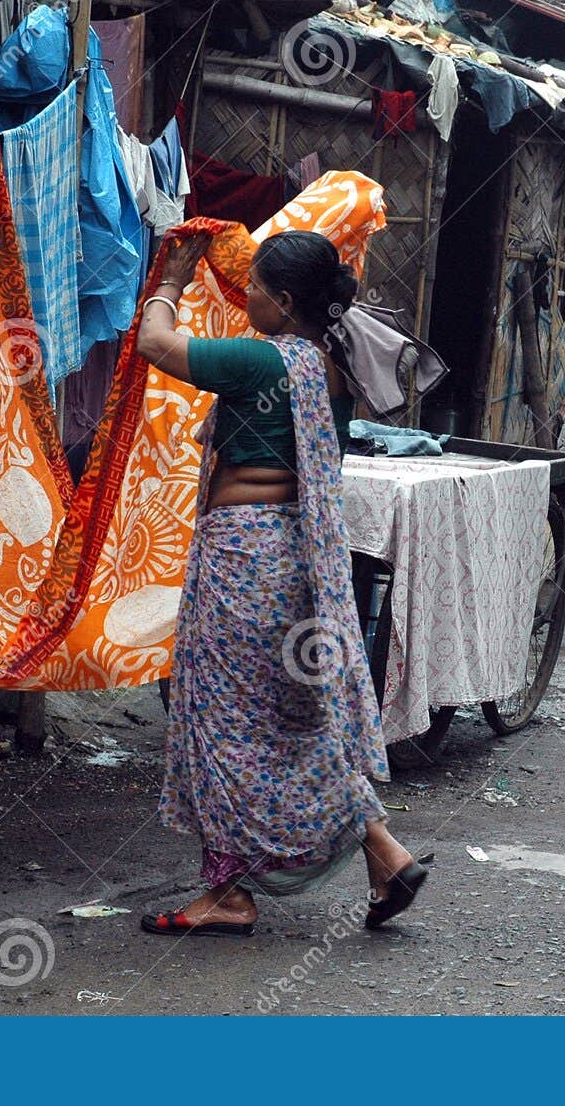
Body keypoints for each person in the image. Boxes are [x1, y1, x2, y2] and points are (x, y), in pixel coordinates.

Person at [132, 228, 427, 935]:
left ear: (287, 300)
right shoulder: (328, 364)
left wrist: (169, 281)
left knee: (223, 722)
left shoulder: (264, 363)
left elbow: (156, 344)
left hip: (245, 560)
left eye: (256, 289)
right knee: (291, 724)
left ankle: (229, 894)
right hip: (296, 563)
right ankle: (385, 852)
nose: (248, 300)